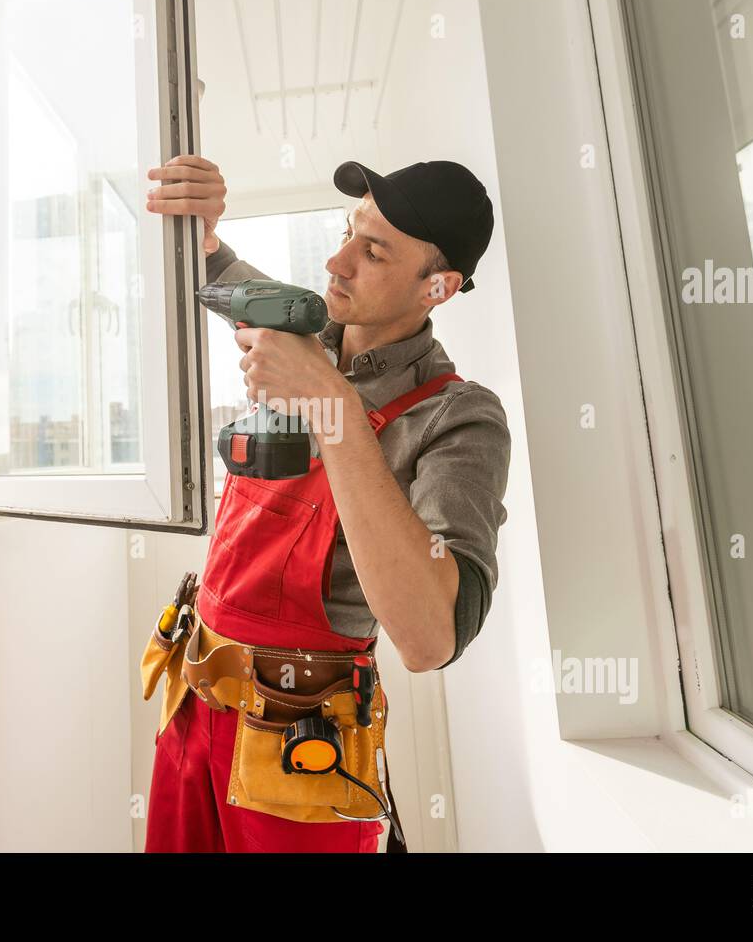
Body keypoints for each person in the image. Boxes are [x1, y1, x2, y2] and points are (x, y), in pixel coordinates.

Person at [142, 154, 511, 852]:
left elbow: (431, 637)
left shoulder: (458, 419)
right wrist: (202, 223)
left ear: (439, 285)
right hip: (195, 709)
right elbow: (207, 267)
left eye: (373, 251)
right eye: (348, 231)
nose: (336, 262)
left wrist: (330, 403)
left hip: (300, 753)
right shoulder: (298, 329)